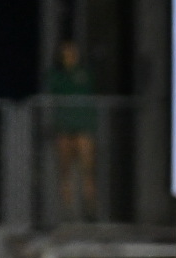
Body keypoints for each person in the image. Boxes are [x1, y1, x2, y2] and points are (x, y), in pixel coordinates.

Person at [47, 41, 97, 220]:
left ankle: (90, 211)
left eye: (72, 53)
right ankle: (67, 213)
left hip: (83, 128)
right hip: (64, 129)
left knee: (87, 171)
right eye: (66, 54)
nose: (70, 57)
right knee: (65, 172)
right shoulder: (57, 76)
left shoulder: (84, 74)